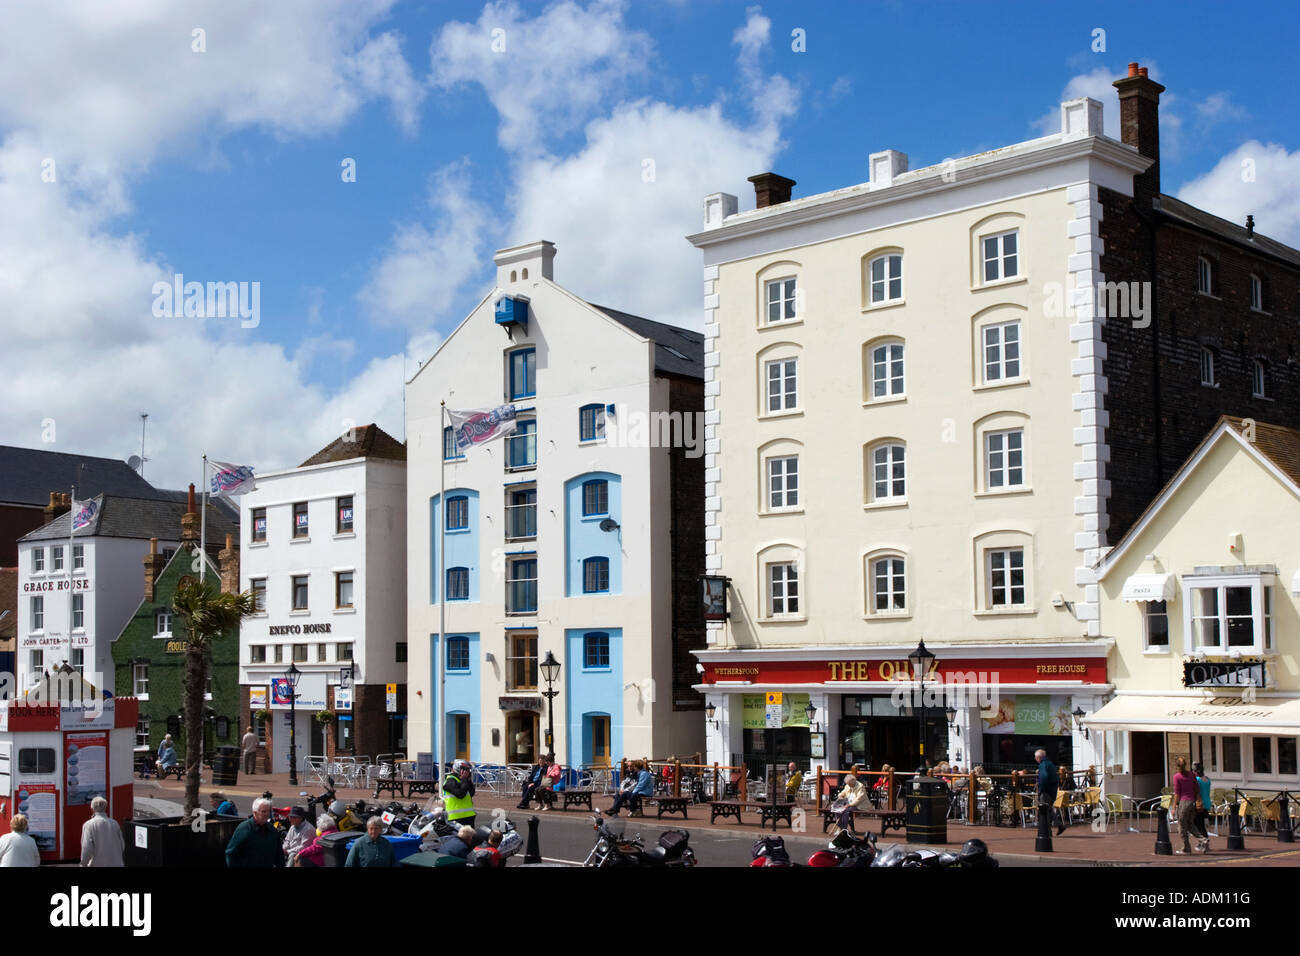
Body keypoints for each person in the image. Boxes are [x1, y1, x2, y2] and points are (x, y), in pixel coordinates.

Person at [225, 797, 283, 867]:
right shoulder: (245, 828)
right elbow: (231, 853)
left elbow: (279, 855)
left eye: (269, 811)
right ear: (255, 813)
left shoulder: (272, 830)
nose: (267, 814)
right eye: (264, 811)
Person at [1173, 757, 1207, 854]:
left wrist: (1174, 807)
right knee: (1190, 824)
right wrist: (1198, 800)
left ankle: (1186, 848)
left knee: (1181, 826)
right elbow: (1196, 789)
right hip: (1192, 802)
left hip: (1184, 802)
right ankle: (1203, 839)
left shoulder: (1177, 776)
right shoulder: (1192, 775)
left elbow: (1177, 793)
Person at [80, 795, 124, 867]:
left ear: (92, 809)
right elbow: (122, 845)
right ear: (105, 808)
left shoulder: (89, 825)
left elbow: (86, 848)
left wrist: (83, 864)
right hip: (117, 863)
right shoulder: (114, 823)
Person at [1035, 749, 1066, 836]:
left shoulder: (1043, 765)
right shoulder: (1050, 763)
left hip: (1046, 791)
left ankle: (1052, 828)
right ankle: (1054, 828)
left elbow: (1044, 777)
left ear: (1038, 757)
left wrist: (1041, 788)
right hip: (1052, 790)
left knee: (1045, 810)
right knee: (1048, 810)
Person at [441, 759, 477, 829]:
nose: (467, 772)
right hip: (455, 818)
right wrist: (464, 780)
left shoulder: (464, 780)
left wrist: (468, 781)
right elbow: (460, 794)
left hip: (468, 817)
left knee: (471, 839)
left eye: (468, 770)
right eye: (465, 770)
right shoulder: (450, 781)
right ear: (459, 769)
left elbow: (471, 793)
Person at [834, 765, 868, 830]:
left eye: (849, 784)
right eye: (848, 784)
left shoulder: (860, 786)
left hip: (859, 805)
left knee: (845, 811)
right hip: (848, 804)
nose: (848, 785)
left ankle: (843, 829)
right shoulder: (848, 785)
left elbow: (859, 799)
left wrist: (849, 805)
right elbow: (843, 792)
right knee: (837, 810)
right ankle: (839, 827)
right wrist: (840, 795)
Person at [1194, 762, 1213, 852]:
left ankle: (1204, 841)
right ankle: (1202, 841)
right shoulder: (1208, 779)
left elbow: (1196, 791)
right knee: (1202, 823)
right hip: (1207, 803)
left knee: (1198, 824)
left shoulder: (1197, 779)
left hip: (1200, 804)